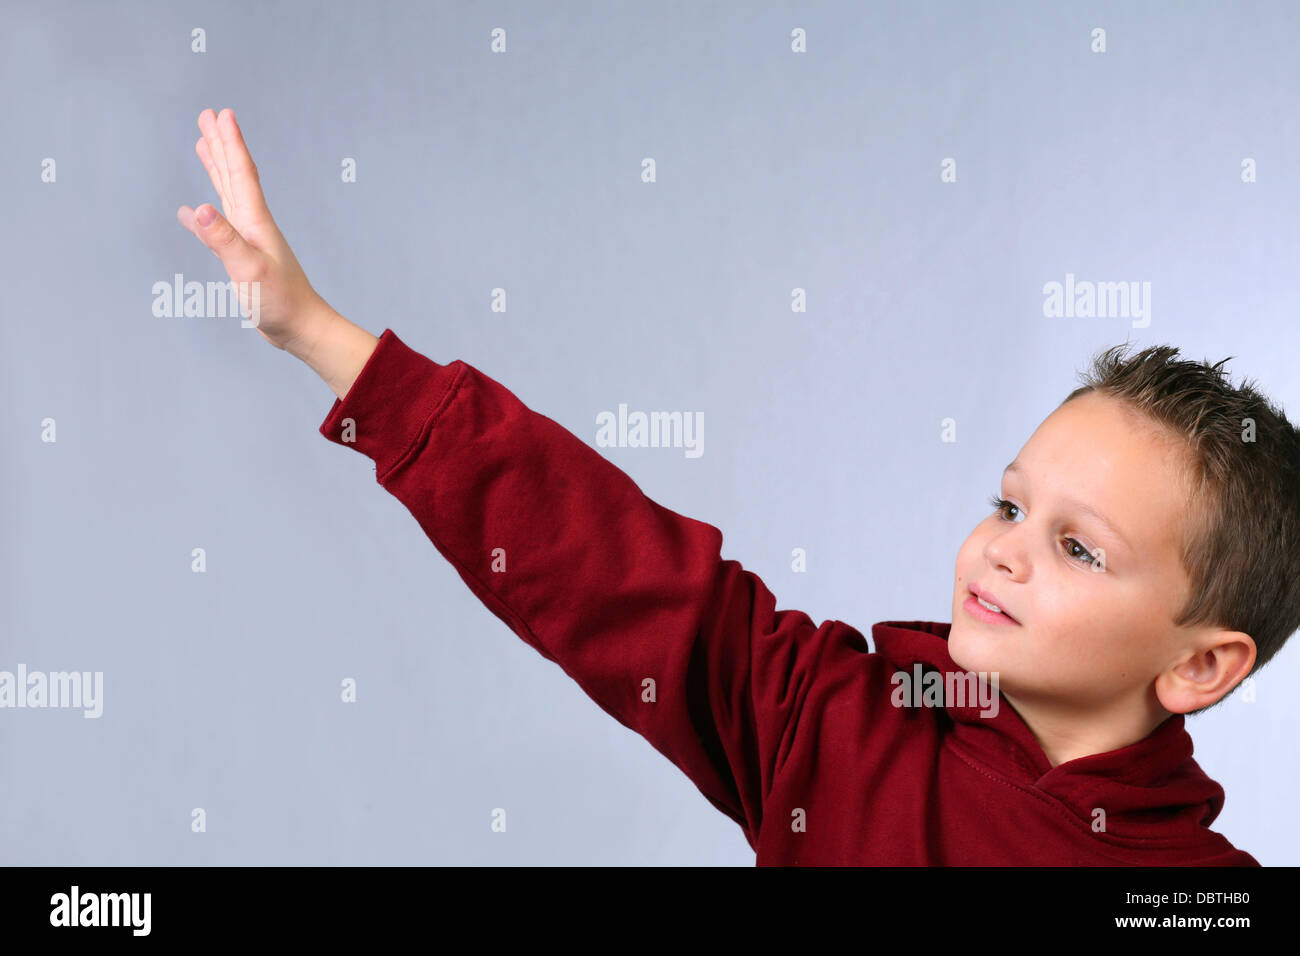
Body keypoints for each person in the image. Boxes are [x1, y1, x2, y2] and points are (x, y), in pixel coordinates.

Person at [177, 108, 1298, 865]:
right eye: (1008, 506)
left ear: (1199, 662)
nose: (1001, 549)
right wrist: (328, 340)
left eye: (1076, 547)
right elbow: (611, 566)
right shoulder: (844, 720)